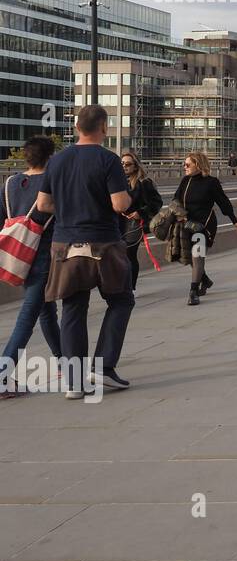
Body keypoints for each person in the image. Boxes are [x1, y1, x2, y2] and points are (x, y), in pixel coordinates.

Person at [35, 105, 135, 396]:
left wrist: (69, 209)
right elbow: (119, 204)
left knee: (73, 308)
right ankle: (103, 368)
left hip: (65, 245)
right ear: (103, 127)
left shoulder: (57, 161)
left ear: (78, 127)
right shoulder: (108, 159)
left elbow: (43, 205)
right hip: (103, 242)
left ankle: (74, 383)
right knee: (121, 300)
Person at [1, 135, 60, 397]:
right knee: (28, 316)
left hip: (19, 253)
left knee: (46, 309)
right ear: (50, 157)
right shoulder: (51, 183)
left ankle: (65, 360)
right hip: (43, 254)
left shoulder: (10, 182)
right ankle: (2, 376)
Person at [174, 151, 237, 305]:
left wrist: (235, 221)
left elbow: (223, 202)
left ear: (198, 165)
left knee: (197, 255)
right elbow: (176, 200)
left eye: (187, 164)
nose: (184, 167)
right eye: (184, 164)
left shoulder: (211, 182)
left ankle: (193, 291)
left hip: (203, 226)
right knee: (189, 257)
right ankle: (204, 280)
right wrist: (180, 215)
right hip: (186, 225)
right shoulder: (185, 181)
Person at [120, 151, 162, 293]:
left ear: (136, 166)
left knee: (129, 253)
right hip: (119, 222)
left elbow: (157, 202)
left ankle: (130, 287)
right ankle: (123, 285)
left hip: (135, 224)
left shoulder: (144, 183)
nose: (124, 166)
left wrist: (141, 212)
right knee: (120, 254)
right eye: (122, 163)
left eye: (128, 164)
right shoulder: (119, 182)